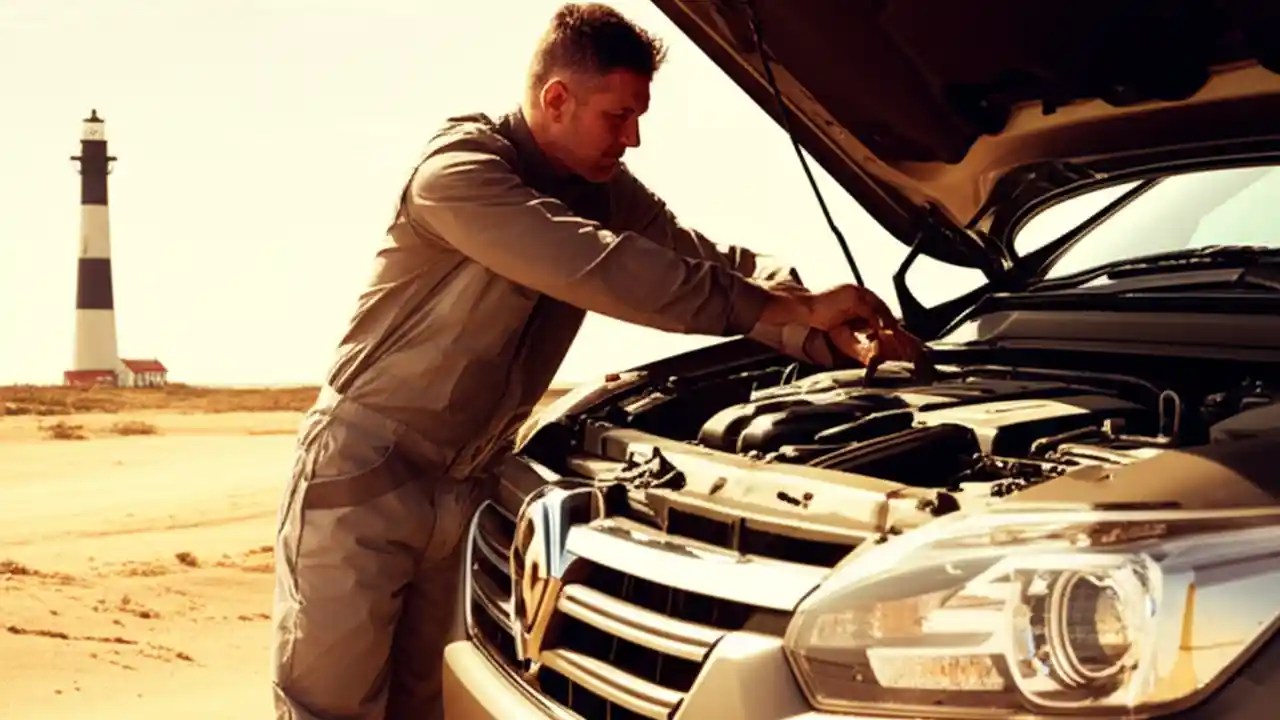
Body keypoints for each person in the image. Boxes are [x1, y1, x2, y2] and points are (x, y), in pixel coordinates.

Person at [269, 3, 924, 719]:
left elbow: (700, 259)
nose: (633, 137)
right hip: (367, 472)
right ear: (556, 98)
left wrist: (831, 331)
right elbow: (600, 265)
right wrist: (792, 311)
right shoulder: (459, 175)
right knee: (328, 708)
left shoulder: (605, 190)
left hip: (469, 479)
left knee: (431, 706)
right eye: (619, 116)